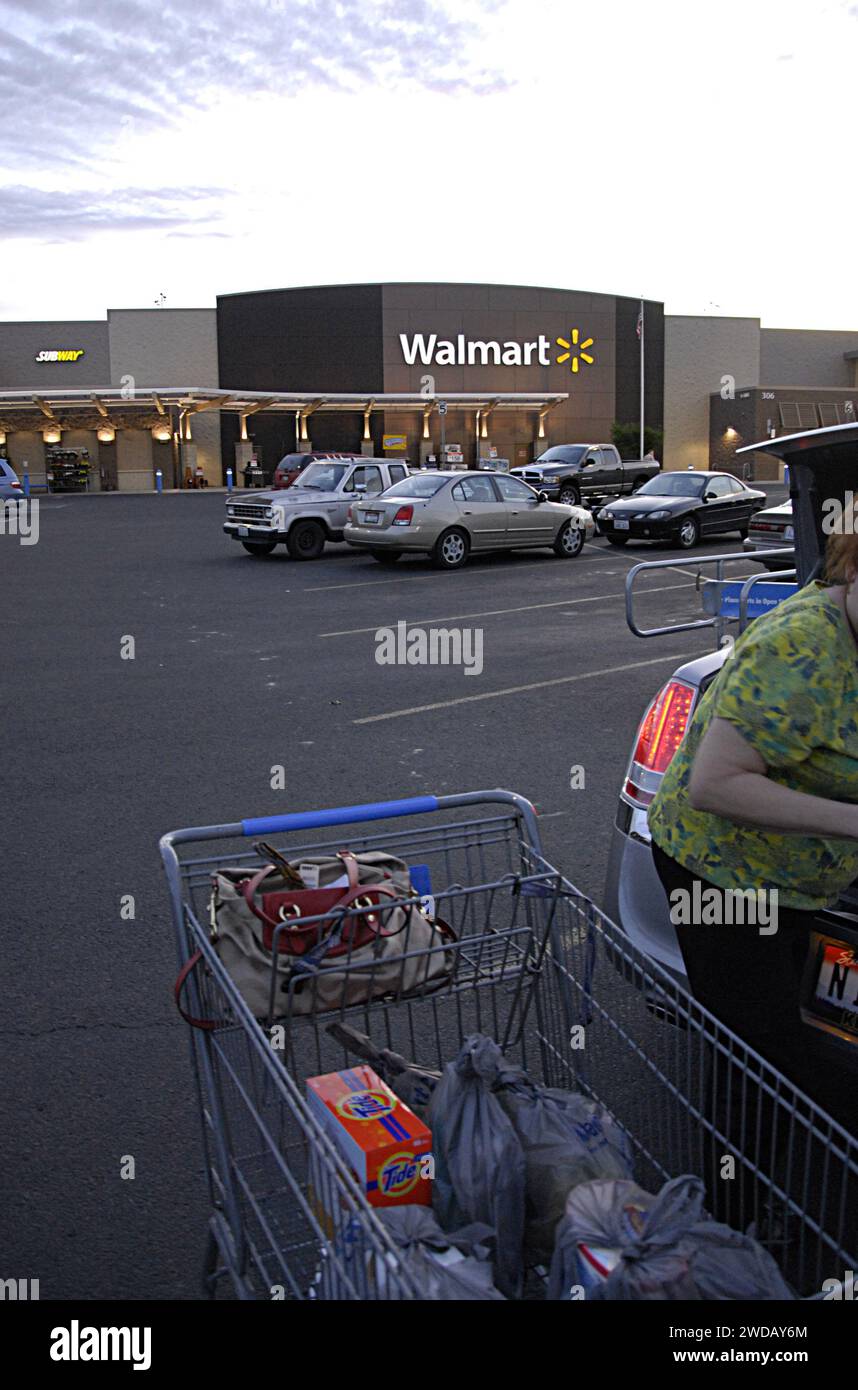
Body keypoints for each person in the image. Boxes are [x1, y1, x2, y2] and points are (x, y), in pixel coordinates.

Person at [648, 507, 858, 1143]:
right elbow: (716, 784)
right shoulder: (801, 646)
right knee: (760, 1062)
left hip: (799, 879)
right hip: (722, 876)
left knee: (781, 1036)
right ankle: (740, 1194)